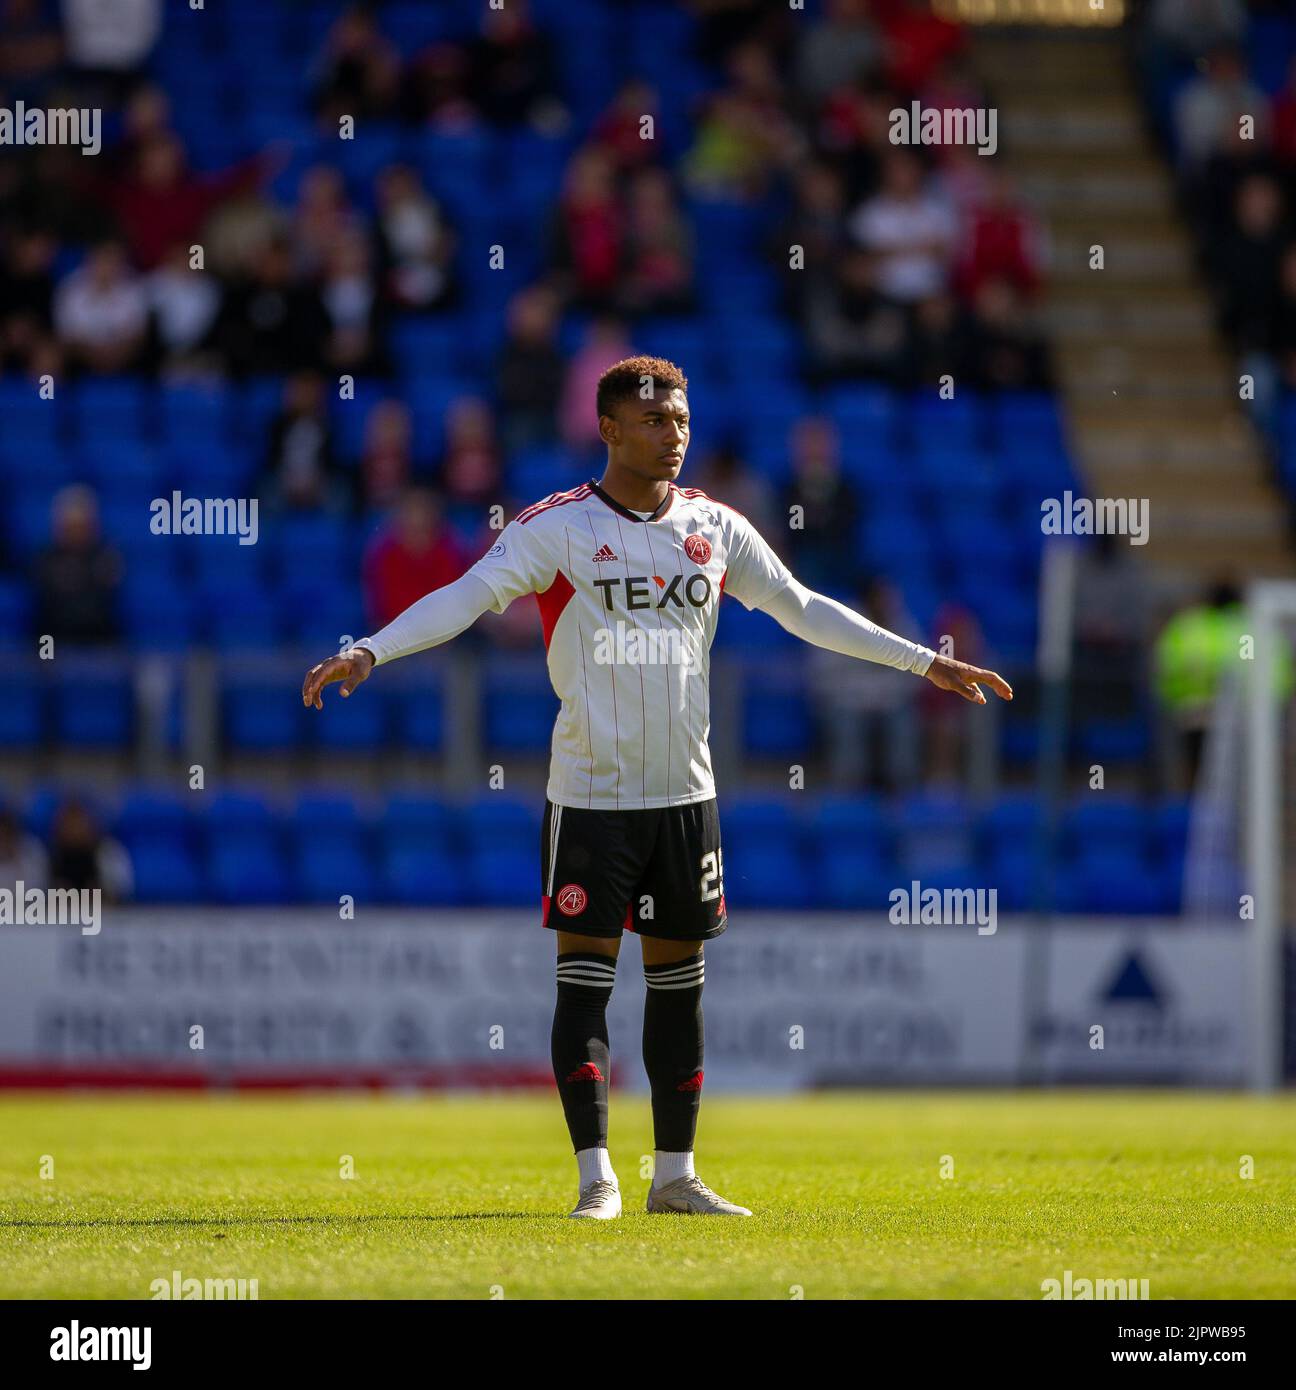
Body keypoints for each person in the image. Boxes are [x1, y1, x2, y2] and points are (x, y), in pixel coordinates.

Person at [302, 356, 1012, 1220]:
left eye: (680, 419)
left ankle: (673, 1174)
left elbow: (801, 606)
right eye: (653, 421)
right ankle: (595, 1174)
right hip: (591, 798)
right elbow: (466, 596)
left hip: (685, 797)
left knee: (682, 986)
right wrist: (370, 647)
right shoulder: (556, 528)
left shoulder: (714, 527)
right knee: (585, 986)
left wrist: (921, 659)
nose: (673, 435)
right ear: (607, 429)